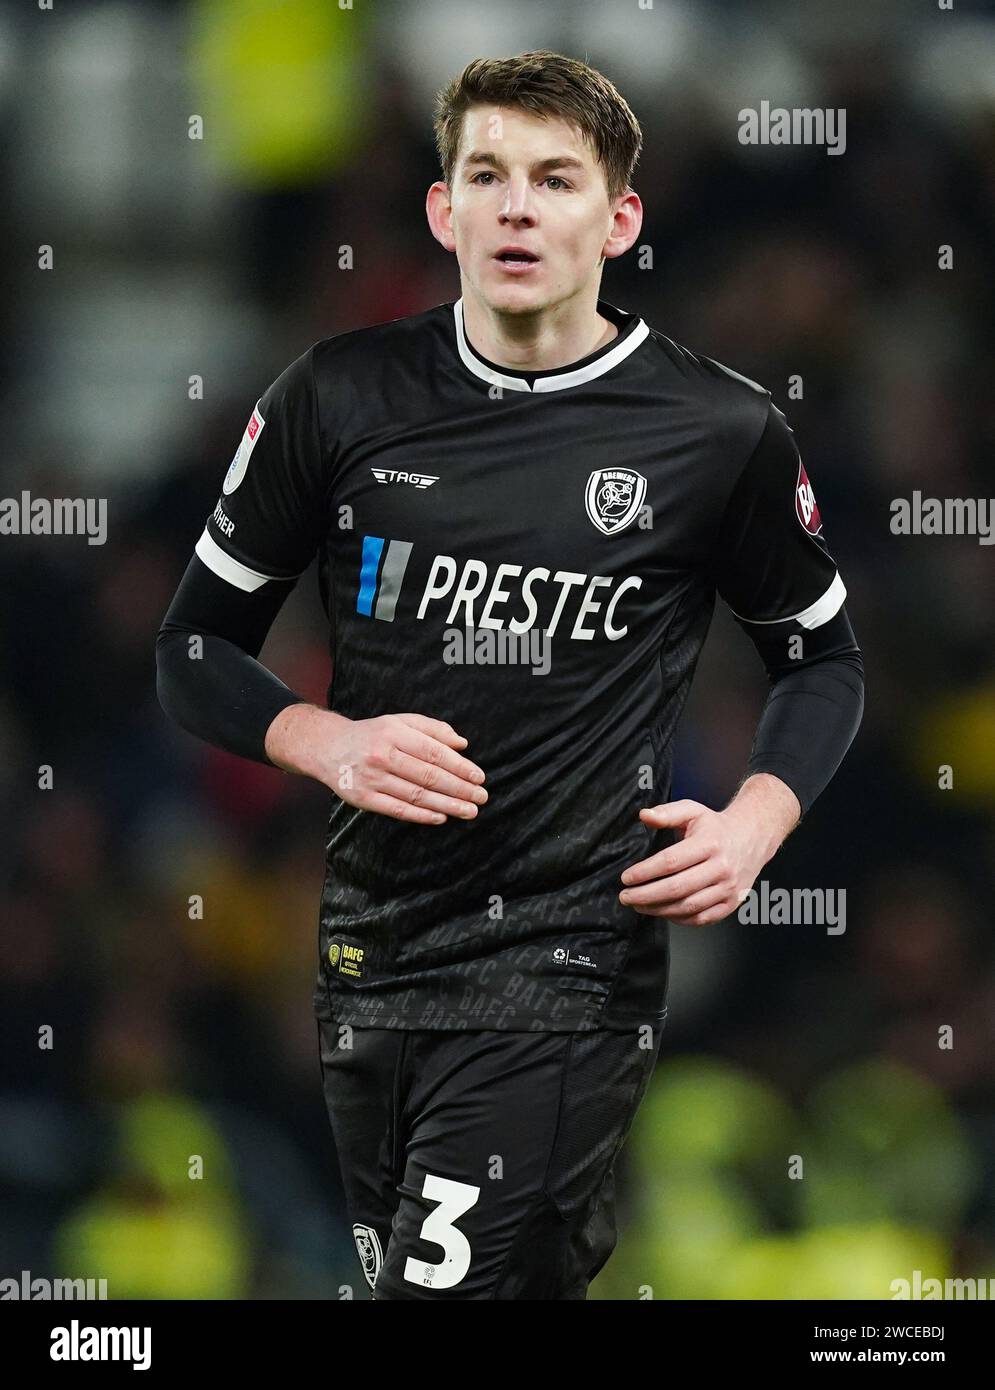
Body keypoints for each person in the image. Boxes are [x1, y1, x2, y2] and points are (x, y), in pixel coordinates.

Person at [155, 50, 864, 1300]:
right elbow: (193, 649)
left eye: (554, 179)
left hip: (564, 965)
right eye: (485, 174)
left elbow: (822, 658)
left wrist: (754, 823)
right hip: (369, 960)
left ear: (618, 217)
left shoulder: (716, 430)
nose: (516, 207)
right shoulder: (338, 396)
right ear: (443, 209)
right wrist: (327, 740)